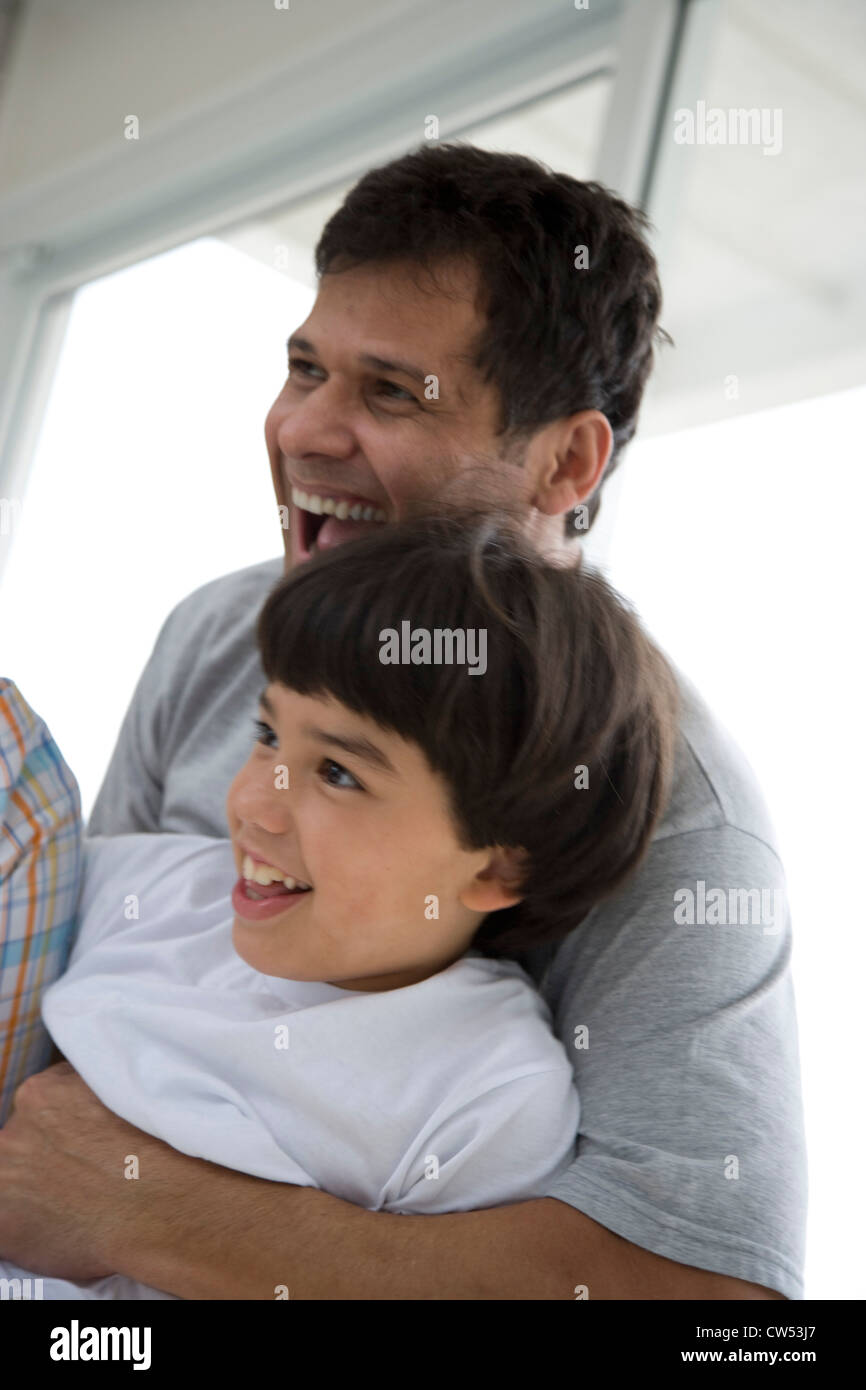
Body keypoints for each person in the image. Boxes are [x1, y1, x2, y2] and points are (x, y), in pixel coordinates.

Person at [0, 143, 807, 1300]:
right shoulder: (222, 631)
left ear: (564, 461)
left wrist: (156, 1214)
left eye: (388, 391)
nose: (303, 431)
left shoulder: (676, 815)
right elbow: (66, 997)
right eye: (302, 369)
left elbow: (714, 1310)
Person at [0, 510, 681, 1298]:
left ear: (497, 866)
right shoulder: (150, 892)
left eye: (339, 774)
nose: (256, 804)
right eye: (265, 734)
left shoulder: (484, 1099)